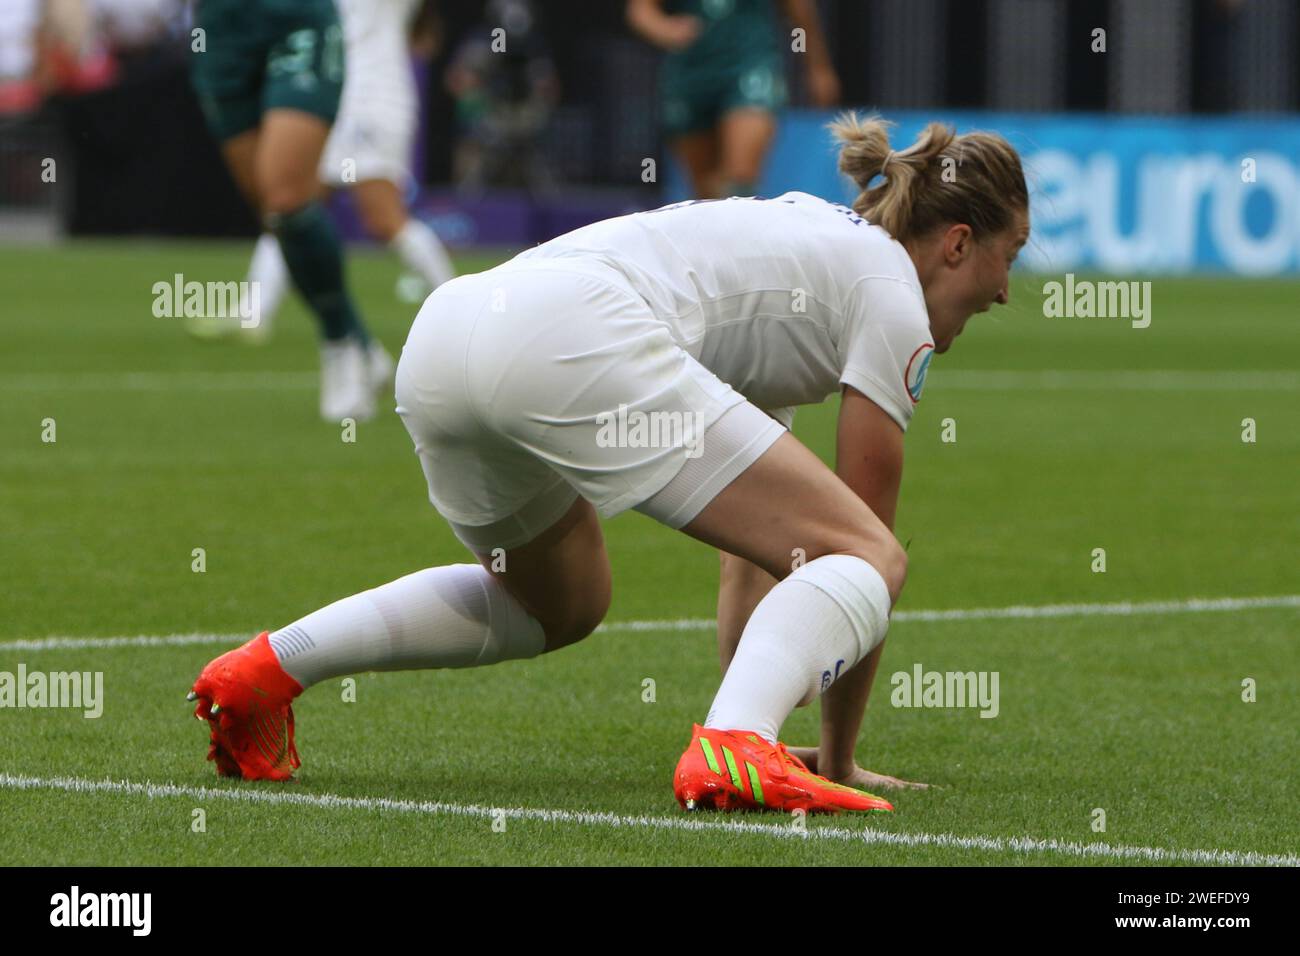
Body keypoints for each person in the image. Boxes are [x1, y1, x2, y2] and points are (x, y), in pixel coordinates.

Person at [188, 114, 1031, 814]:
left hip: (450, 336)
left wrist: (776, 695)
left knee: (559, 602)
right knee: (874, 557)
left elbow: (769, 551)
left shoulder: (811, 246)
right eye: (1010, 256)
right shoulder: (889, 291)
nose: (1006, 292)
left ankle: (268, 670)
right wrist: (834, 758)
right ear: (957, 243)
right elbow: (862, 541)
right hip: (568, 330)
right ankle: (732, 748)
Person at [188, 0, 391, 422]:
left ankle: (338, 348)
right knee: (275, 213)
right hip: (220, 29)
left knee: (286, 195)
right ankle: (364, 347)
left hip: (295, 17)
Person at [212, 0, 455, 348]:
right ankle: (254, 312)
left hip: (373, 101)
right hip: (326, 97)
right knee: (288, 203)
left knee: (384, 220)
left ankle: (456, 304)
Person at [627, 0, 839, 199]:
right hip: (690, 70)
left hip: (749, 61)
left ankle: (744, 226)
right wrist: (665, 29)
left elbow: (798, 6)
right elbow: (641, 9)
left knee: (740, 182)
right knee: (706, 193)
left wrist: (818, 66)